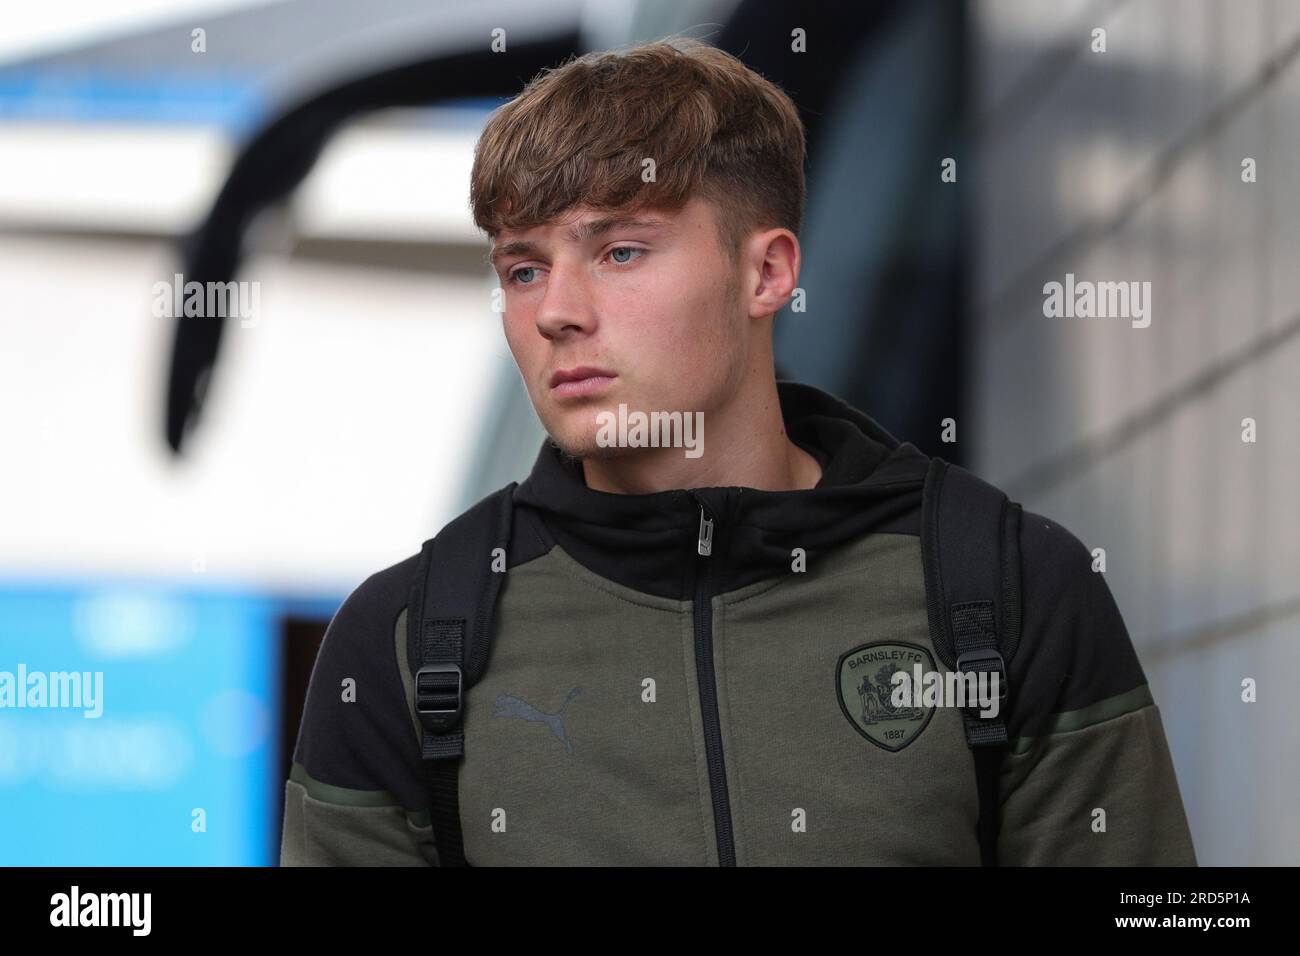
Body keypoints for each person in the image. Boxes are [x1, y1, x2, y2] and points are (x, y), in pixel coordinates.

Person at [280, 38, 1196, 867]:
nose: (556, 309)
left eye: (621, 252)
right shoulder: (407, 641)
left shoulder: (1005, 587)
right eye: (524, 270)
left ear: (768, 273)